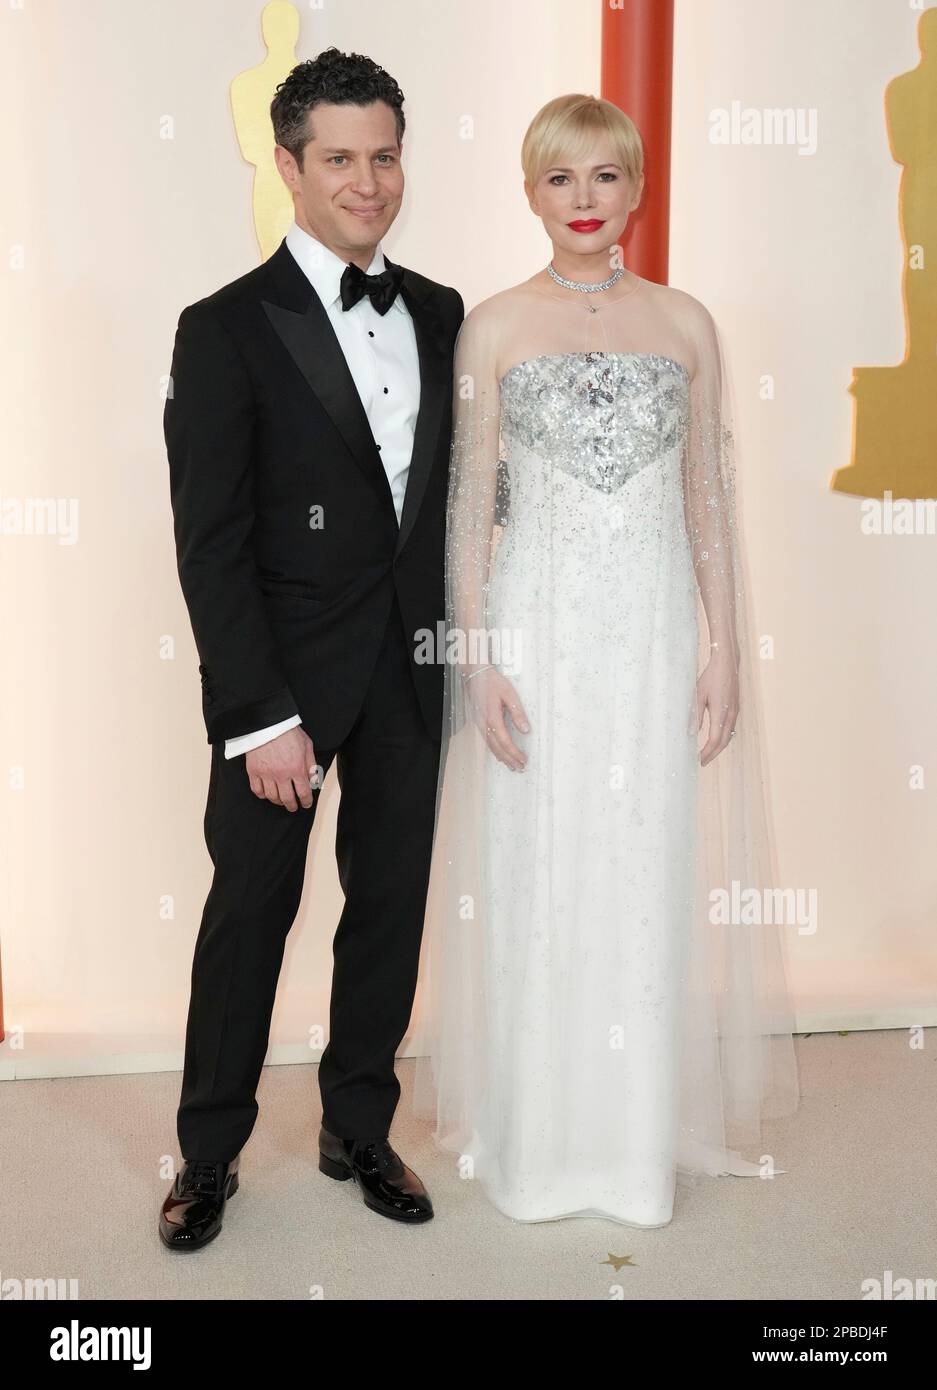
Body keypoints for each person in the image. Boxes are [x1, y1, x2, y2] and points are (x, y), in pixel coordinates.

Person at [414, 93, 800, 1227]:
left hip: (648, 635)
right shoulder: (488, 325)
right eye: (557, 179)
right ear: (528, 192)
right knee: (540, 869)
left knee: (639, 870)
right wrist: (477, 656)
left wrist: (725, 647)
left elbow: (707, 498)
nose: (582, 202)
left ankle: (628, 1149)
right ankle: (537, 1141)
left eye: (603, 177)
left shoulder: (687, 323)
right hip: (535, 629)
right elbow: (464, 510)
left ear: (635, 187)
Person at [159, 48, 463, 1250]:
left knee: (387, 904)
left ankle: (357, 1124)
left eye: (384, 155)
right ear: (287, 166)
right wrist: (259, 714)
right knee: (251, 915)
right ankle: (207, 1153)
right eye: (339, 158)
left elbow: (451, 501)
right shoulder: (223, 328)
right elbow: (211, 543)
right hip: (278, 686)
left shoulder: (440, 311)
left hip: (410, 667)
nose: (368, 181)